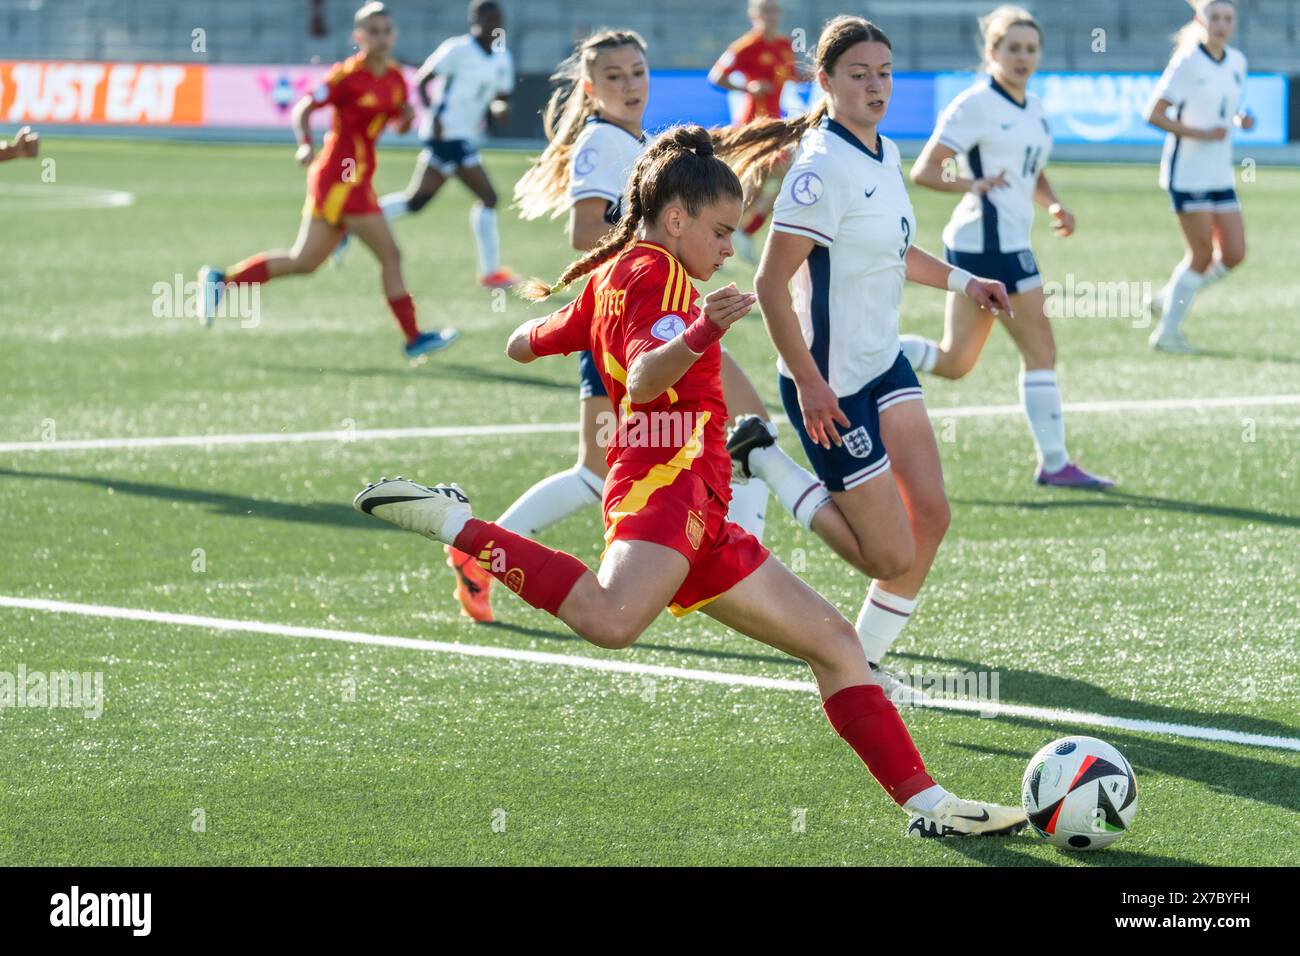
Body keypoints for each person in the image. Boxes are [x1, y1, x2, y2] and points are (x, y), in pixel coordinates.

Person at [354, 125, 1027, 838]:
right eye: (721, 231)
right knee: (612, 620)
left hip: (701, 510)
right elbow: (645, 378)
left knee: (836, 645)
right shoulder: (660, 278)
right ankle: (458, 527)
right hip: (666, 494)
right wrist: (701, 332)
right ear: (675, 220)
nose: (729, 247)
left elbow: (524, 343)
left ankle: (933, 807)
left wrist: (566, 324)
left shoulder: (618, 276)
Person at [715, 15, 1011, 689]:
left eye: (884, 72)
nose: (876, 86)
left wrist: (968, 281)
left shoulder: (883, 151)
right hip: (834, 384)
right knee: (885, 552)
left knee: (931, 514)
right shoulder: (820, 167)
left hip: (885, 366)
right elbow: (769, 280)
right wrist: (811, 385)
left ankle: (867, 664)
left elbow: (893, 248)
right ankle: (761, 457)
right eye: (859, 74)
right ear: (824, 81)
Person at [445, 29, 775, 622]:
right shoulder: (602, 143)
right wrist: (646, 257)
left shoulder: (633, 141)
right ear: (591, 89)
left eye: (639, 72)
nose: (630, 85)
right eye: (615, 76)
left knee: (638, 458)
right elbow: (582, 232)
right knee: (737, 430)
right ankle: (727, 556)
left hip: (649, 315)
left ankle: (721, 551)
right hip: (630, 322)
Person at [904, 5, 1113, 489]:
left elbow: (1030, 169)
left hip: (1009, 241)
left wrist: (1054, 204)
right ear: (992, 51)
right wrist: (972, 184)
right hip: (986, 244)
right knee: (1041, 351)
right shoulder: (975, 104)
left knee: (956, 362)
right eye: (1012, 48)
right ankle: (1056, 463)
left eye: (1030, 49)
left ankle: (870, 354)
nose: (1023, 57)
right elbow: (927, 169)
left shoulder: (1035, 108)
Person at [198, 2, 456, 360]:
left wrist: (406, 119)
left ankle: (222, 282)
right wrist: (305, 146)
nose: (382, 38)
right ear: (359, 36)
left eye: (387, 31)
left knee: (304, 262)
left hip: (355, 179)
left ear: (394, 34)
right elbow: (304, 108)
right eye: (374, 31)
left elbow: (397, 124)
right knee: (391, 255)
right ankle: (414, 338)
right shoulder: (346, 77)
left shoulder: (397, 79)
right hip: (340, 179)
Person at [366, 0, 518, 289]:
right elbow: (423, 81)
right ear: (474, 19)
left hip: (462, 136)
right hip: (445, 135)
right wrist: (432, 115)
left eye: (496, 19)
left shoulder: (503, 59)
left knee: (417, 201)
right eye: (486, 18)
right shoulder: (457, 49)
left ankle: (357, 219)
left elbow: (503, 97)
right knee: (489, 197)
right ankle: (490, 272)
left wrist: (499, 108)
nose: (492, 24)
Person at [1144, 0, 1251, 353]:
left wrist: (1240, 119)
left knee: (1234, 253)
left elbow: (1228, 107)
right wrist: (1199, 134)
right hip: (1187, 173)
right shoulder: (1187, 60)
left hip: (1220, 172)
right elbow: (1154, 114)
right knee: (1201, 255)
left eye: (1227, 18)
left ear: (1234, 24)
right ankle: (1167, 333)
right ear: (1201, 21)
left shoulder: (1237, 61)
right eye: (1214, 17)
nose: (1221, 24)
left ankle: (1168, 296)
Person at [708, 0, 800, 263]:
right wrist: (749, 87)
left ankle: (737, 232)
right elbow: (716, 76)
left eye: (774, 10)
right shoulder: (745, 46)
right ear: (753, 15)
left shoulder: (784, 46)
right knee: (759, 183)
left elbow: (790, 75)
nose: (771, 16)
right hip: (753, 125)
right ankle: (725, 233)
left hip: (775, 124)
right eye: (765, 10)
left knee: (773, 182)